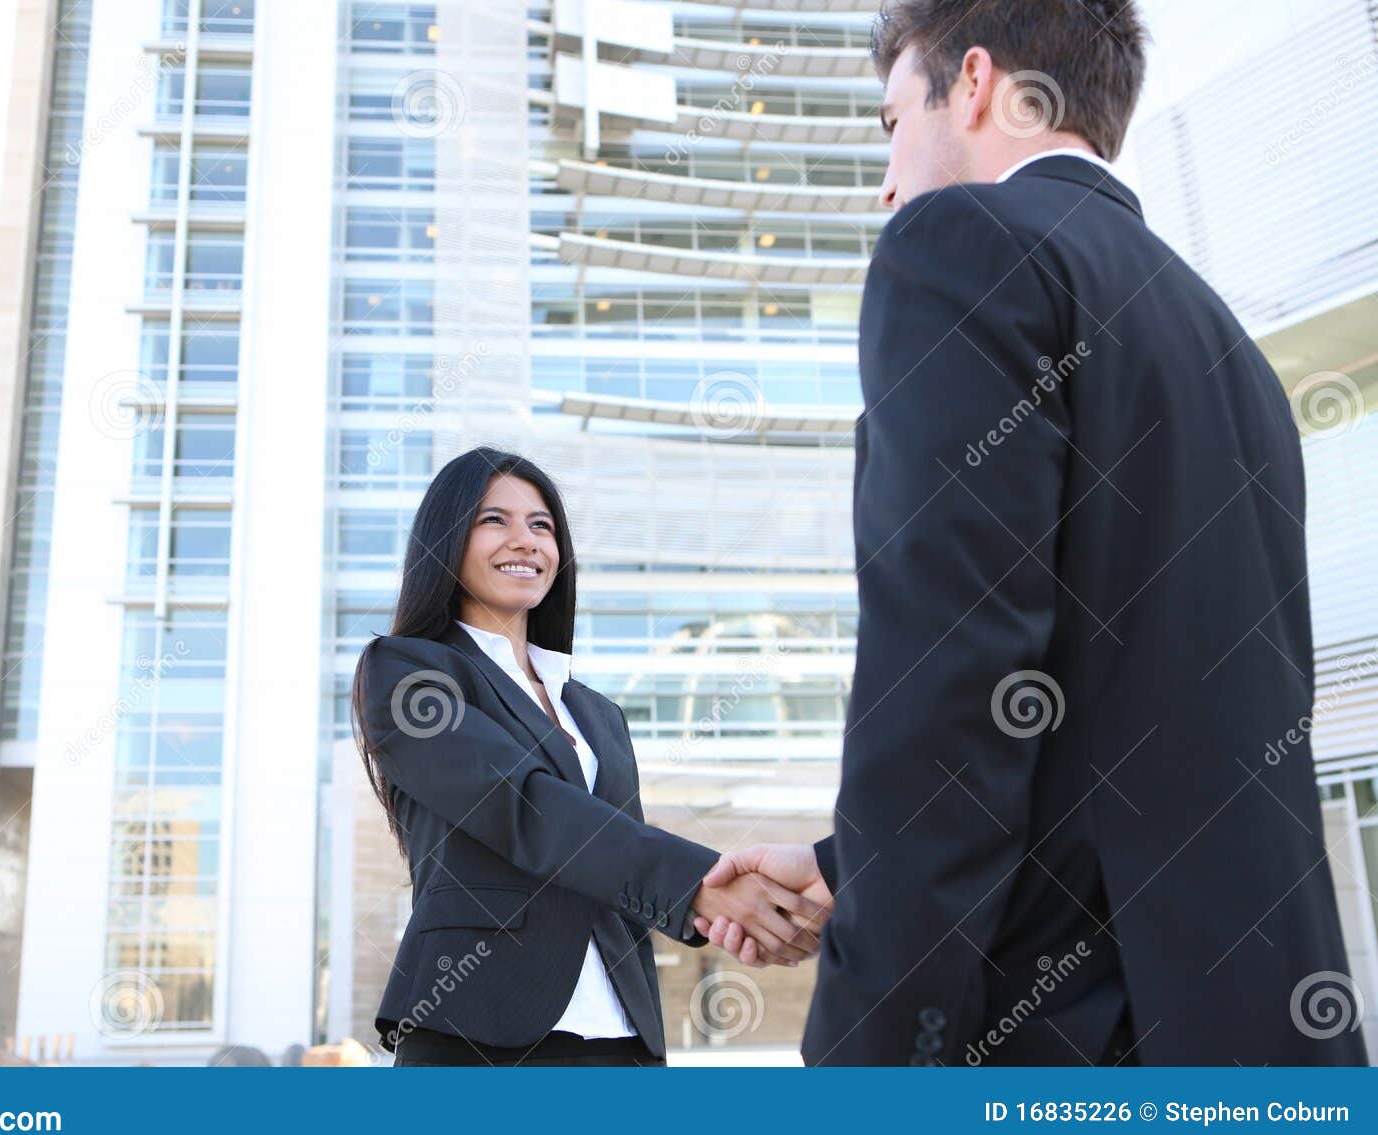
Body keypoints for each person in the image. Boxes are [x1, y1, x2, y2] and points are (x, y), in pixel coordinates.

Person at [696, 0, 1369, 1067]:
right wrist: (847, 864)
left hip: (1068, 1044)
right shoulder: (1223, 343)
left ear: (970, 82)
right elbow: (1120, 716)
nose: (885, 180)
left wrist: (864, 1051)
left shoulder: (963, 243)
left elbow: (951, 682)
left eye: (887, 124)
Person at [354, 448, 829, 1066]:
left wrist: (730, 910)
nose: (524, 540)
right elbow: (520, 804)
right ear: (445, 539)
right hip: (476, 1029)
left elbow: (616, 853)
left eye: (542, 525)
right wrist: (704, 889)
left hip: (620, 1035)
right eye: (493, 520)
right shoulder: (408, 671)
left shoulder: (596, 712)